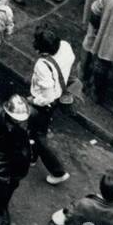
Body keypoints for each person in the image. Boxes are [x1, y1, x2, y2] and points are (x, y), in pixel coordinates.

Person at [28, 28, 71, 185]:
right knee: (35, 131)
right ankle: (32, 156)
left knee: (39, 135)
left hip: (45, 103)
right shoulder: (66, 46)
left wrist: (34, 101)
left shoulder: (42, 65)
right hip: (58, 95)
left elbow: (47, 96)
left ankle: (58, 171)